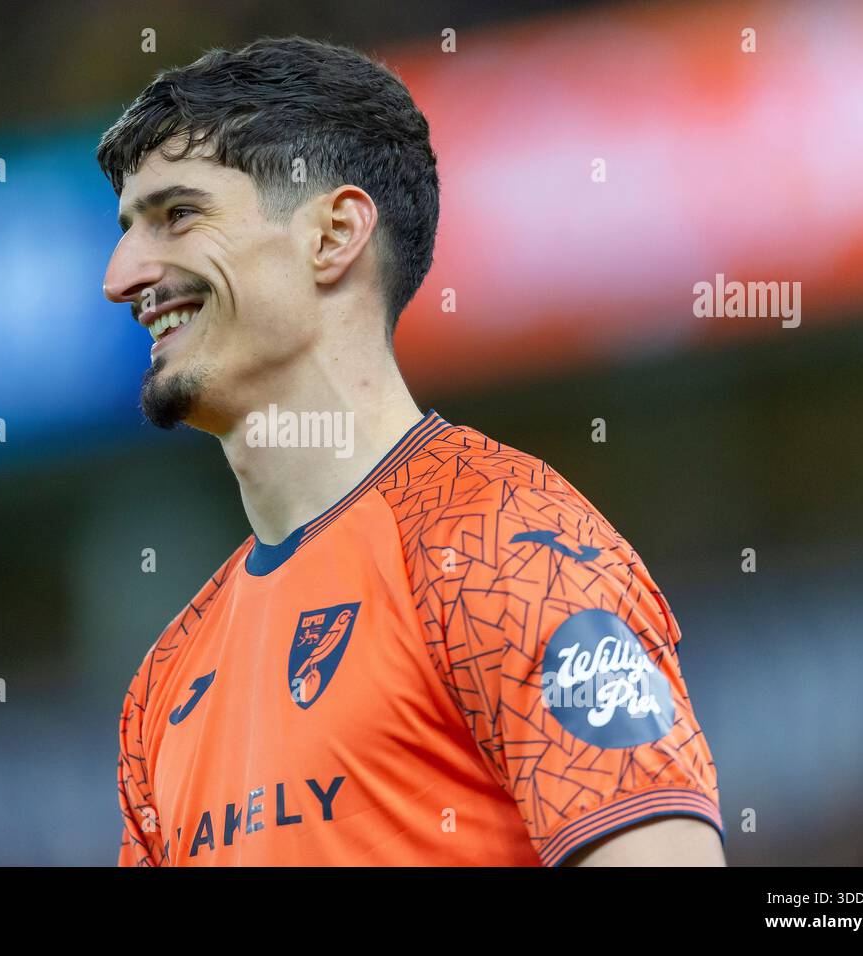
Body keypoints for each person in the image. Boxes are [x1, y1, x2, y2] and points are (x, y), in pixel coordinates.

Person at [97, 35, 724, 866]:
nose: (121, 275)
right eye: (128, 231)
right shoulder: (162, 685)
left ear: (333, 235)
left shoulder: (504, 548)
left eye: (178, 215)